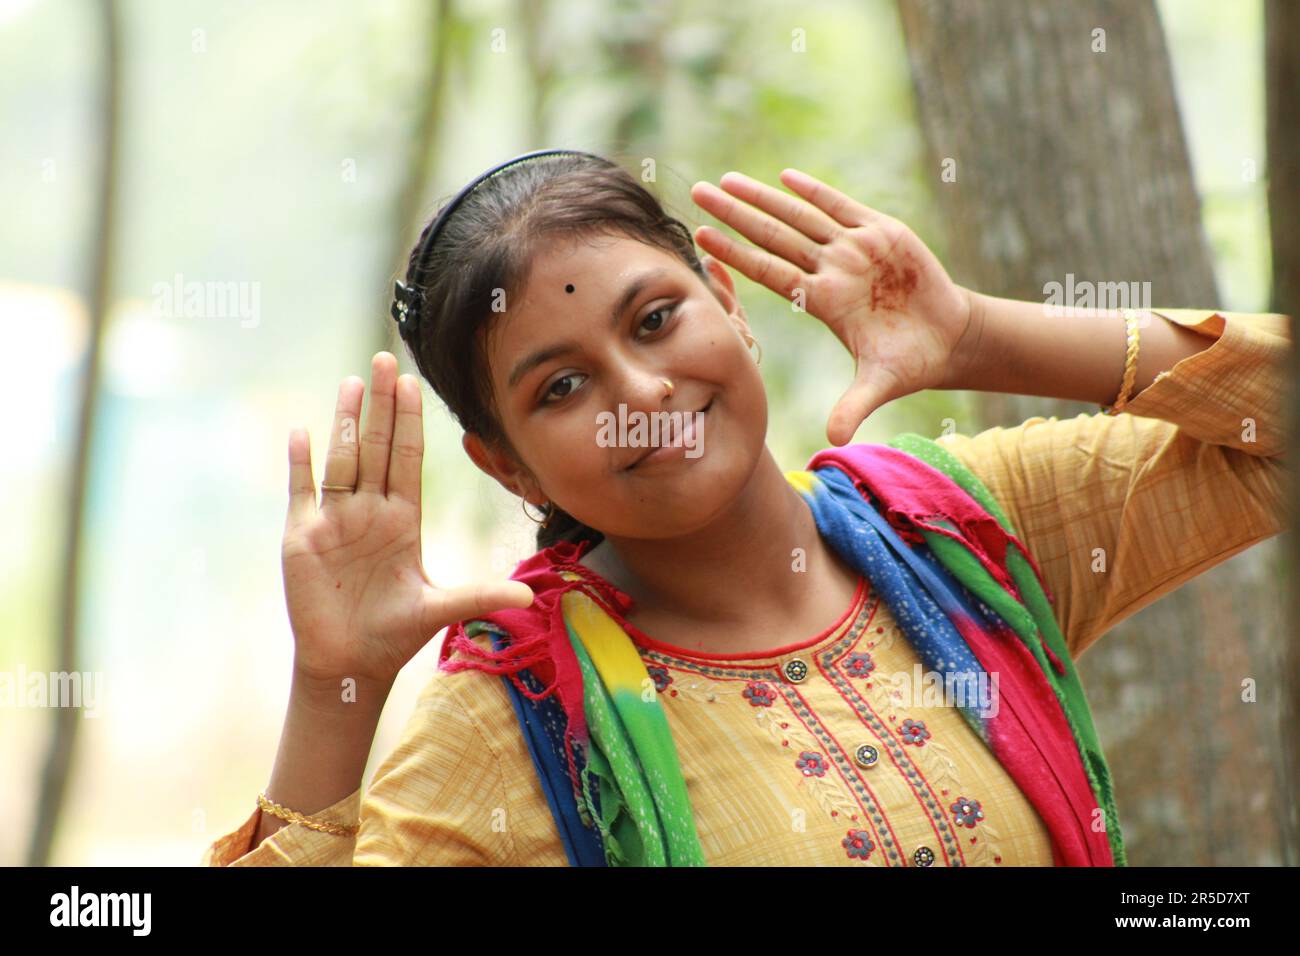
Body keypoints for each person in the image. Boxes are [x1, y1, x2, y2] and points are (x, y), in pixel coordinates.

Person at [202, 149, 1288, 867]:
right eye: (560, 387)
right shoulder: (511, 718)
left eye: (656, 317)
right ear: (506, 467)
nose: (640, 392)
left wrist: (978, 336)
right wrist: (331, 693)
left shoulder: (960, 535)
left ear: (728, 303)